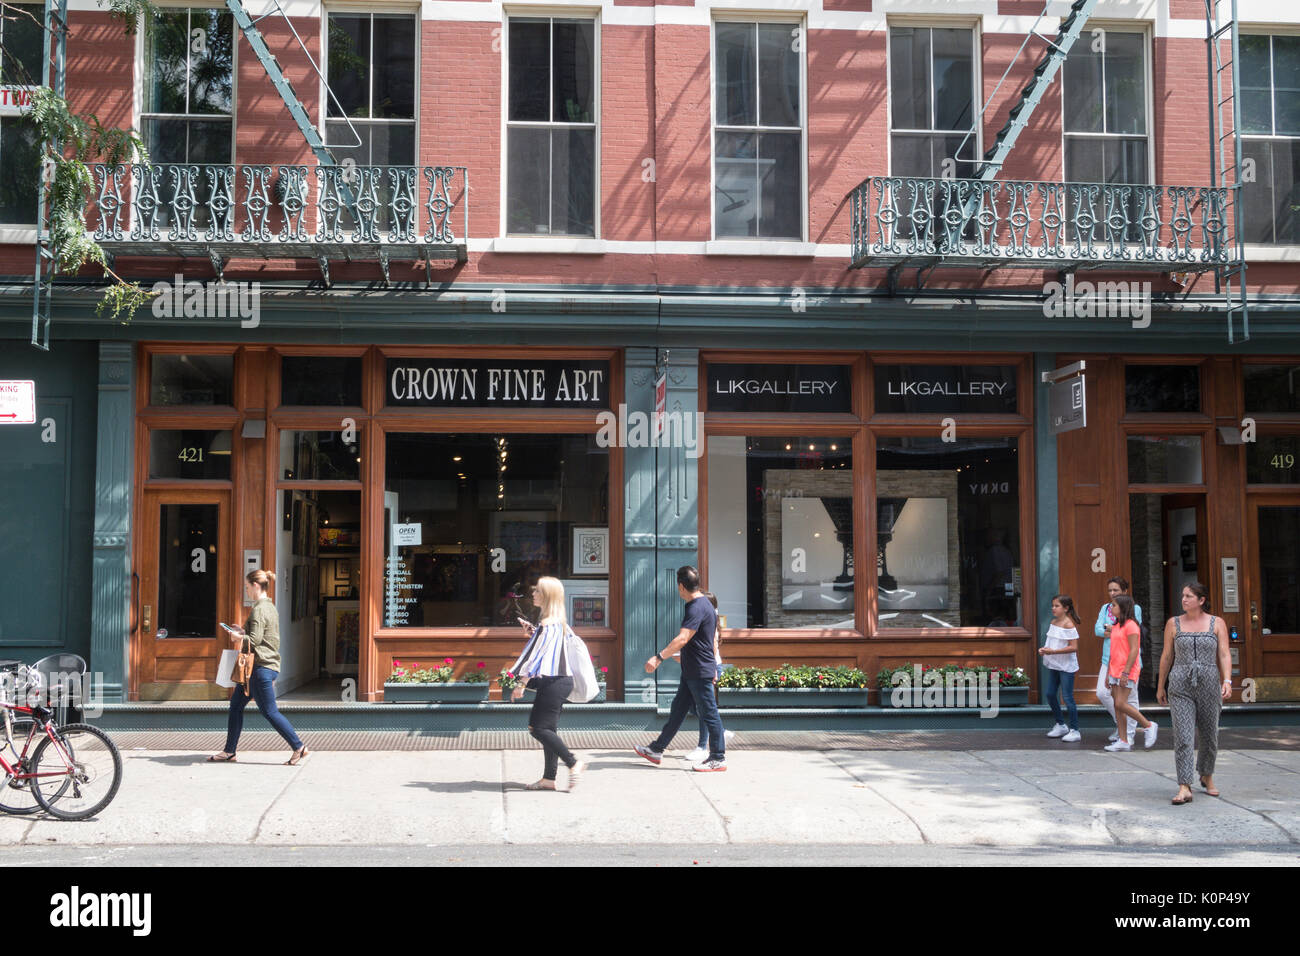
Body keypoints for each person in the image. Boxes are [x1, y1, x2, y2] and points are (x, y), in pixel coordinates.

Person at [209, 569, 309, 765]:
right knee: (236, 706)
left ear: (256, 586)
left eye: (247, 587)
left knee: (270, 711)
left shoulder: (259, 609)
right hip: (260, 668)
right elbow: (260, 634)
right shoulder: (269, 606)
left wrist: (238, 637)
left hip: (259, 668)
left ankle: (299, 746)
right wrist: (242, 630)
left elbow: (254, 641)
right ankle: (229, 751)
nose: (246, 591)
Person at [634, 566, 727, 772]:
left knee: (709, 713)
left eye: (678, 587)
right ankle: (656, 749)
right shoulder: (706, 604)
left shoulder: (695, 606)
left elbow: (683, 638)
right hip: (693, 669)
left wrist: (659, 657)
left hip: (699, 670)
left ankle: (718, 757)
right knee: (677, 711)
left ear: (681, 586)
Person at [1157, 583, 1232, 805]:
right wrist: (1161, 685)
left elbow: (1225, 654)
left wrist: (1227, 680)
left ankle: (1206, 774)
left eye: (1189, 596)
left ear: (1201, 600)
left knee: (1210, 735)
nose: (1184, 599)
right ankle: (1184, 785)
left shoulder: (1217, 623)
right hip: (1180, 682)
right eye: (1183, 595)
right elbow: (1167, 656)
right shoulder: (1173, 623)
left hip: (1209, 681)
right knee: (1183, 735)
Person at [509, 576, 587, 792]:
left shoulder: (547, 624)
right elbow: (547, 648)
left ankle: (573, 762)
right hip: (560, 682)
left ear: (547, 596)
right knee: (549, 730)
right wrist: (533, 633)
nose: (533, 594)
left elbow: (533, 657)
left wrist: (521, 684)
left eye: (537, 591)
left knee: (538, 728)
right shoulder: (557, 623)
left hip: (553, 682)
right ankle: (548, 779)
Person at [683, 591, 735, 764]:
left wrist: (712, 668)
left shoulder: (709, 623)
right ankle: (720, 731)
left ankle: (702, 747)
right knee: (695, 707)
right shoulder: (706, 620)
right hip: (704, 667)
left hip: (709, 668)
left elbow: (712, 648)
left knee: (704, 707)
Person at [1104, 594, 1158, 752]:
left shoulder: (1131, 625)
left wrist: (1126, 672)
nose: (1111, 608)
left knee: (1121, 703)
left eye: (1114, 605)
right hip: (1114, 670)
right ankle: (1123, 740)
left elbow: (1134, 650)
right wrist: (1108, 673)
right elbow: (1113, 651)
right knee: (1117, 706)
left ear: (1123, 607)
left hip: (1126, 670)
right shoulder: (1116, 626)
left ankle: (1148, 725)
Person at [1095, 576, 1143, 743]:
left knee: (1130, 699)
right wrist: (1111, 630)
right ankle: (1120, 724)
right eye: (1110, 590)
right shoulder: (1105, 607)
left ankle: (1129, 735)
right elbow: (1097, 630)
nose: (1112, 593)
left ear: (1124, 591)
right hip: (1109, 660)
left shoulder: (1134, 608)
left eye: (1116, 590)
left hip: (1128, 662)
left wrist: (1112, 629)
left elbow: (1131, 628)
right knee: (1102, 693)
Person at [1039, 594, 1082, 742]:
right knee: (1050, 694)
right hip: (1055, 664)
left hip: (1066, 666)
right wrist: (1045, 649)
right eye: (1053, 606)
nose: (1053, 608)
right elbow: (1052, 642)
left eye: (1056, 606)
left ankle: (1075, 730)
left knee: (1068, 697)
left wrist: (1053, 652)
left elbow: (1074, 647)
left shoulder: (1069, 624)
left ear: (1066, 608)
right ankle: (1061, 724)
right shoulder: (1053, 622)